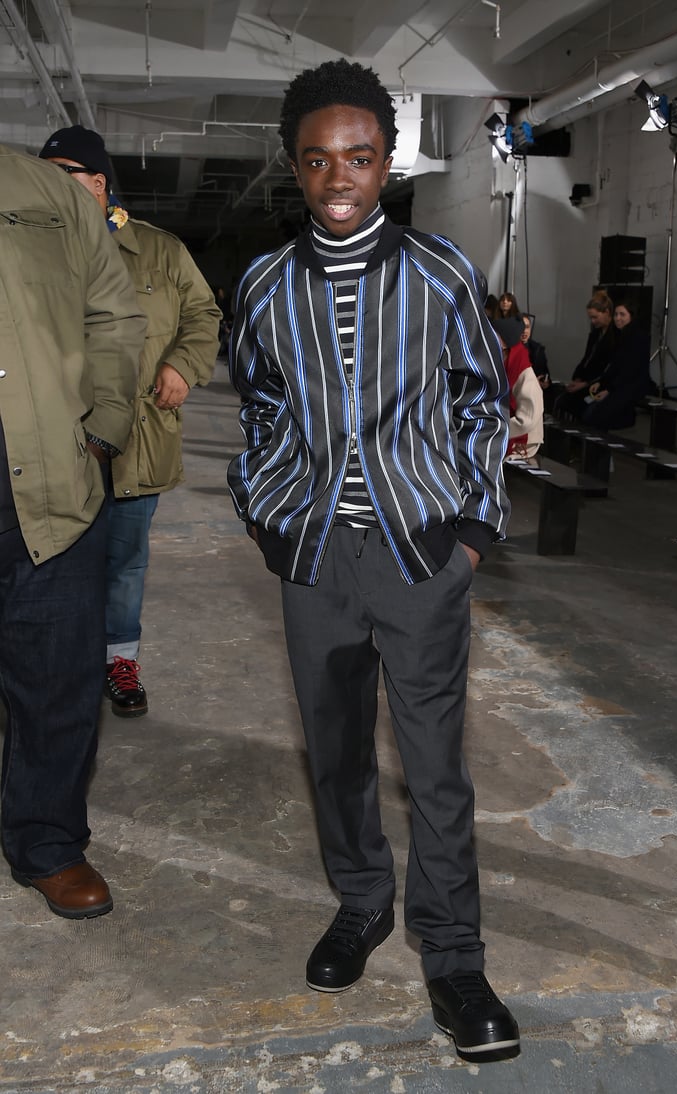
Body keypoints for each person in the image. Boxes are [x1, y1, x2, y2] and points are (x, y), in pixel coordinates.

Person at [227, 58, 520, 1065]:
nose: (338, 177)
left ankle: (452, 954)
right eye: (317, 160)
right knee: (336, 746)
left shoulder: (440, 272)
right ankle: (360, 901)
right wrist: (265, 512)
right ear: (294, 168)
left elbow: (484, 401)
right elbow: (257, 405)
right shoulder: (264, 284)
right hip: (313, 557)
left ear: (386, 161)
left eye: (357, 156)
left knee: (434, 764)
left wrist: (469, 530)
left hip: (418, 557)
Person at [0, 144, 146, 917]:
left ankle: (48, 840)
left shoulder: (41, 190)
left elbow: (114, 312)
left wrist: (104, 428)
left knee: (58, 672)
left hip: (51, 475)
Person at [39, 126, 221, 718]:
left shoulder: (159, 251)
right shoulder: (29, 252)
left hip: (136, 441)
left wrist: (183, 367)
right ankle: (58, 664)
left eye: (62, 172)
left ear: (97, 184)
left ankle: (119, 659)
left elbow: (203, 313)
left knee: (123, 560)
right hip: (54, 441)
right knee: (54, 558)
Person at [580, 300, 653, 429]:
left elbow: (630, 370)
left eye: (622, 315)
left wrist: (609, 390)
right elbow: (614, 365)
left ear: (631, 316)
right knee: (587, 409)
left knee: (595, 415)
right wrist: (601, 382)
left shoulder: (638, 337)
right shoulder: (622, 335)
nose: (618, 318)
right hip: (620, 384)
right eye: (616, 314)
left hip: (631, 386)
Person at [553, 289, 616, 420]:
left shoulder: (615, 337)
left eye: (595, 317)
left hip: (600, 384)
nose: (593, 321)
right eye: (591, 318)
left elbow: (609, 367)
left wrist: (586, 383)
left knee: (582, 408)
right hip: (587, 381)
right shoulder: (595, 334)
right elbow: (587, 358)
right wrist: (577, 378)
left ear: (607, 313)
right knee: (561, 400)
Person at [492, 317, 544, 458]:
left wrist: (494, 428)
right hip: (504, 429)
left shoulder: (524, 372)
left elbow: (527, 419)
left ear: (503, 341)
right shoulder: (502, 362)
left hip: (522, 439)